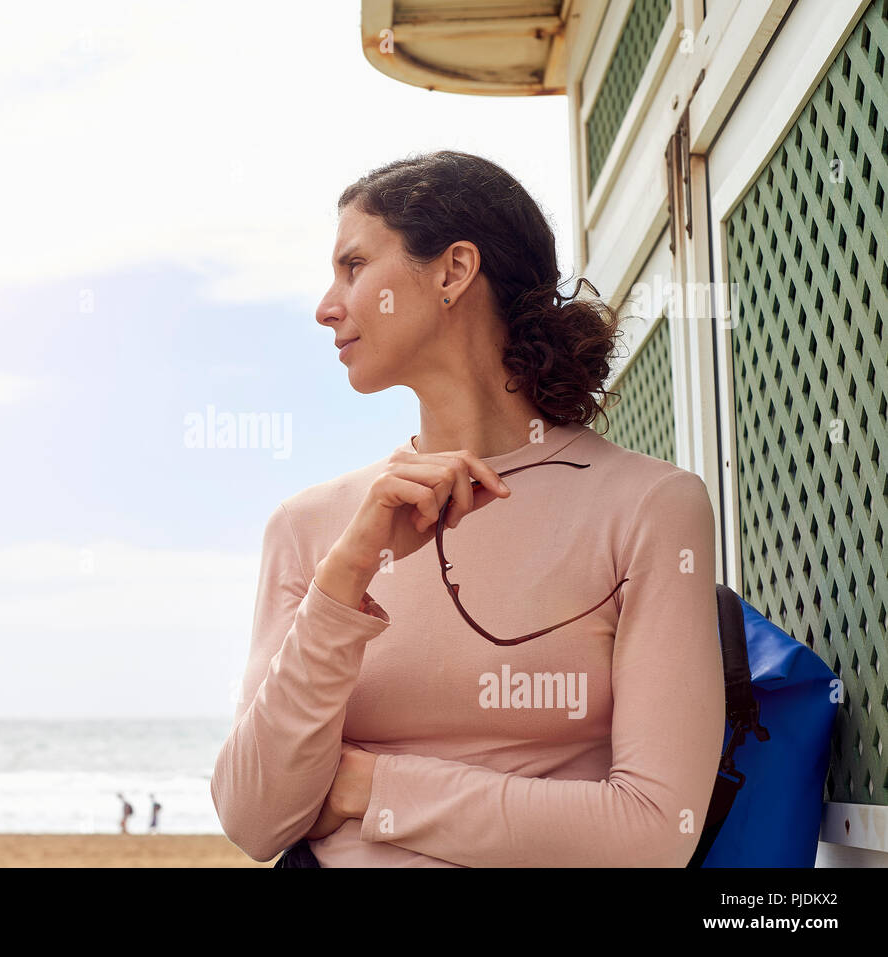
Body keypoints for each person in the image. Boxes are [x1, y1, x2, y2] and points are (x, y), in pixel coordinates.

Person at [210, 150, 724, 867]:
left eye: (354, 266)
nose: (326, 306)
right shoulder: (311, 528)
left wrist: (372, 787)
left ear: (453, 271)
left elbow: (652, 830)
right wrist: (345, 577)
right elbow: (254, 818)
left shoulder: (648, 506)